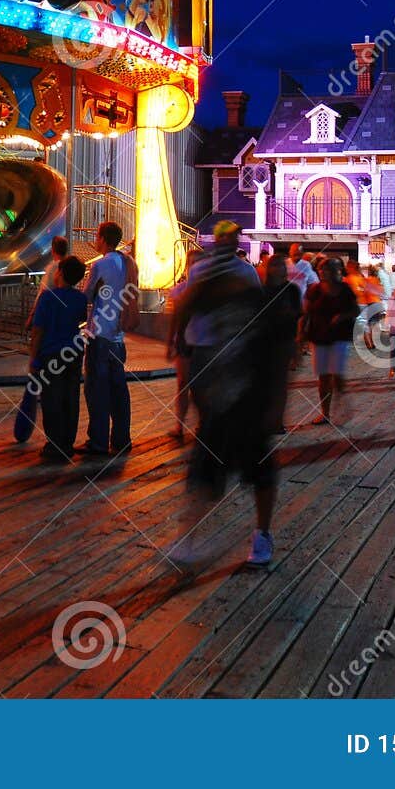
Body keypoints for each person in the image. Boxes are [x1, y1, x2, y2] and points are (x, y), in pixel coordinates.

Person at [168, 230, 277, 568]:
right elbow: (184, 309)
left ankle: (262, 534)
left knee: (259, 473)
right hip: (220, 401)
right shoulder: (215, 298)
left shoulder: (248, 299)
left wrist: (272, 404)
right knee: (205, 472)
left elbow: (269, 354)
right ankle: (190, 537)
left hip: (248, 400)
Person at [82, 221, 138, 456]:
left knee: (97, 390)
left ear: (103, 238)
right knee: (119, 390)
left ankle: (98, 442)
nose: (95, 240)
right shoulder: (129, 263)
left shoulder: (101, 265)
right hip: (118, 337)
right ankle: (121, 438)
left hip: (100, 334)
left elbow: (87, 295)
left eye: (97, 235)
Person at [27, 255, 89, 462]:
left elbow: (38, 330)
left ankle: (54, 444)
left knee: (51, 399)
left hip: (51, 353)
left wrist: (33, 359)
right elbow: (80, 318)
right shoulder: (80, 298)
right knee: (70, 398)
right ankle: (67, 442)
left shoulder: (47, 298)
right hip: (72, 352)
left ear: (60, 272)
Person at [16, 235, 70, 442]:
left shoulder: (52, 270)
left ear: (53, 250)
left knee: (38, 364)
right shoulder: (70, 277)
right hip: (62, 331)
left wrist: (32, 316)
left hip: (47, 324)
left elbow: (42, 294)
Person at [303, 257, 359, 424]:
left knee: (337, 373)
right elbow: (306, 312)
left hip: (339, 337)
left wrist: (342, 316)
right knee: (323, 377)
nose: (324, 272)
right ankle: (325, 412)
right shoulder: (314, 290)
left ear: (338, 271)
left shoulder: (345, 289)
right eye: (322, 269)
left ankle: (341, 401)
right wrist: (301, 333)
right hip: (318, 337)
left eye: (328, 269)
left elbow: (355, 310)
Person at [261, 253, 303, 435]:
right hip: (263, 342)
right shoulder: (261, 291)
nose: (280, 269)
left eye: (282, 265)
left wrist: (298, 343)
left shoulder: (291, 290)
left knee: (280, 384)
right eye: (275, 265)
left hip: (284, 341)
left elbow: (299, 316)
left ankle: (277, 421)